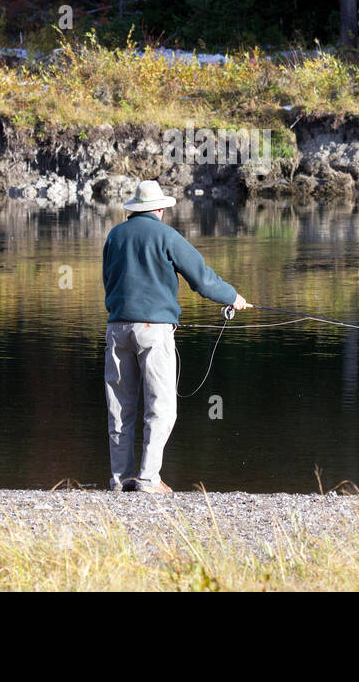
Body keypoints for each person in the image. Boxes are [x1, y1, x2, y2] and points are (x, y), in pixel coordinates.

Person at [101, 179, 248, 493]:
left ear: (135, 208)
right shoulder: (167, 236)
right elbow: (203, 280)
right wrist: (232, 296)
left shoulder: (115, 236)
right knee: (161, 406)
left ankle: (120, 478)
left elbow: (108, 279)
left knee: (120, 407)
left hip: (116, 330)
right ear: (159, 209)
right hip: (153, 332)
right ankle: (148, 478)